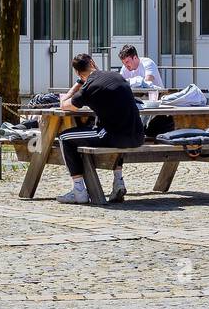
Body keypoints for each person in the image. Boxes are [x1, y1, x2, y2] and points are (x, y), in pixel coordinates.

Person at [55, 53, 145, 204]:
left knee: (65, 138)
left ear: (77, 72)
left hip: (116, 137)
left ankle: (79, 191)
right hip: (138, 135)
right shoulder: (116, 76)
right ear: (93, 63)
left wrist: (78, 83)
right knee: (113, 124)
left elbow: (64, 104)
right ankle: (118, 181)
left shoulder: (89, 87)